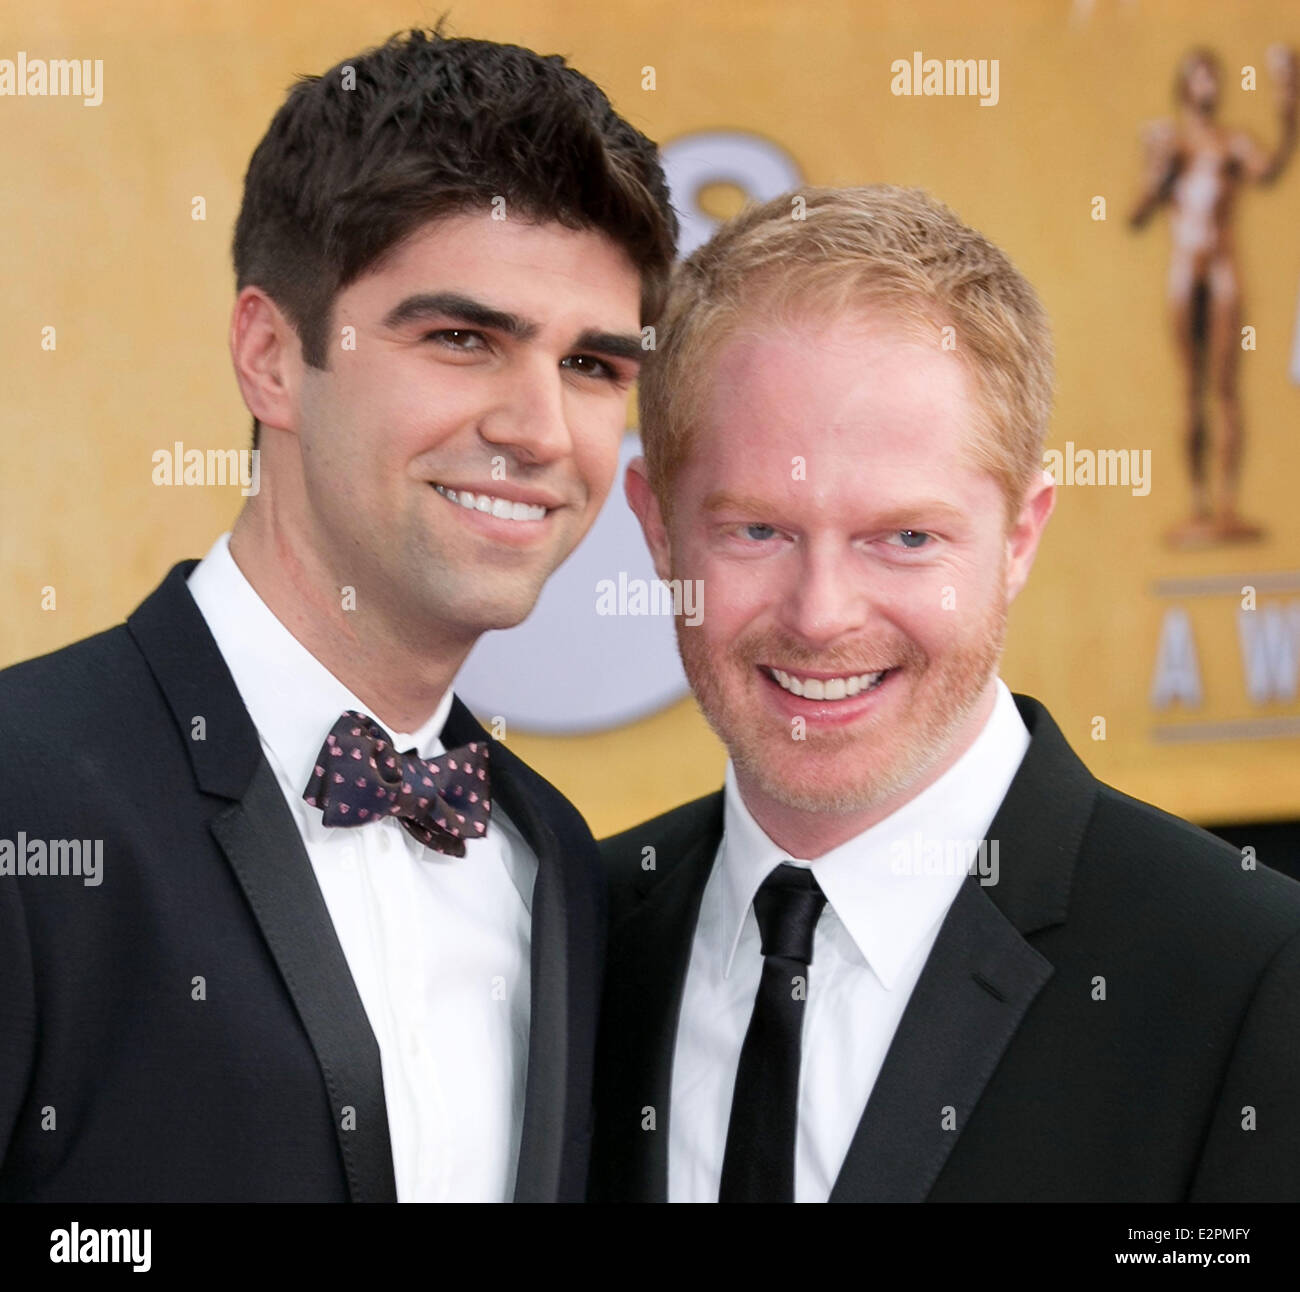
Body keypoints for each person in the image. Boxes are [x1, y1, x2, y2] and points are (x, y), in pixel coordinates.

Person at [0, 26, 676, 1203]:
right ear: (271, 355)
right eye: (464, 338)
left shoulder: (554, 862)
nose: (536, 428)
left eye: (591, 368)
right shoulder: (24, 788)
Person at [590, 185, 1300, 1203]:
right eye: (756, 530)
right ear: (657, 528)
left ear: (1019, 536)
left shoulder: (1252, 977)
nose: (821, 613)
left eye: (905, 536)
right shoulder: (571, 939)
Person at [1129, 45, 1298, 546]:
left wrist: (1289, 113)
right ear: (1186, 85)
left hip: (1222, 270)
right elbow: (1138, 214)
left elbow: (1269, 171)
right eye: (1200, 78)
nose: (1209, 87)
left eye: (1214, 78)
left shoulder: (1232, 144)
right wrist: (1159, 168)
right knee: (1191, 391)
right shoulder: (1169, 145)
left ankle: (1225, 503)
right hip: (1186, 271)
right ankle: (1199, 501)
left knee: (1225, 388)